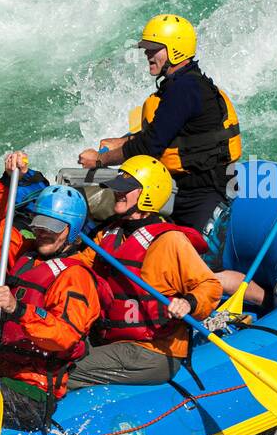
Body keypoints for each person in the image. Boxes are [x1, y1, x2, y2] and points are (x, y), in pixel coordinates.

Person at [0, 152, 98, 428]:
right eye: (40, 226)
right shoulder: (22, 253)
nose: (42, 232)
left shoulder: (76, 277)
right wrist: (6, 181)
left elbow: (63, 337)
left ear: (72, 230)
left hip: (33, 390)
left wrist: (17, 309)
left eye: (52, 228)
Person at [78, 14, 242, 258]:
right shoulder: (181, 84)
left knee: (194, 262)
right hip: (185, 190)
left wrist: (101, 161)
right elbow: (166, 132)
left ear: (175, 49)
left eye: (154, 49)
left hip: (207, 192)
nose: (147, 55)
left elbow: (150, 146)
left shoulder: (185, 89)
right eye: (146, 49)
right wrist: (122, 141)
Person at [66, 155, 222, 389]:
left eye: (127, 189)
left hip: (153, 350)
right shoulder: (109, 234)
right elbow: (78, 265)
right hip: (111, 339)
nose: (118, 192)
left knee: (64, 372)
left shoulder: (171, 241)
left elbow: (210, 286)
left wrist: (188, 303)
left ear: (149, 194)